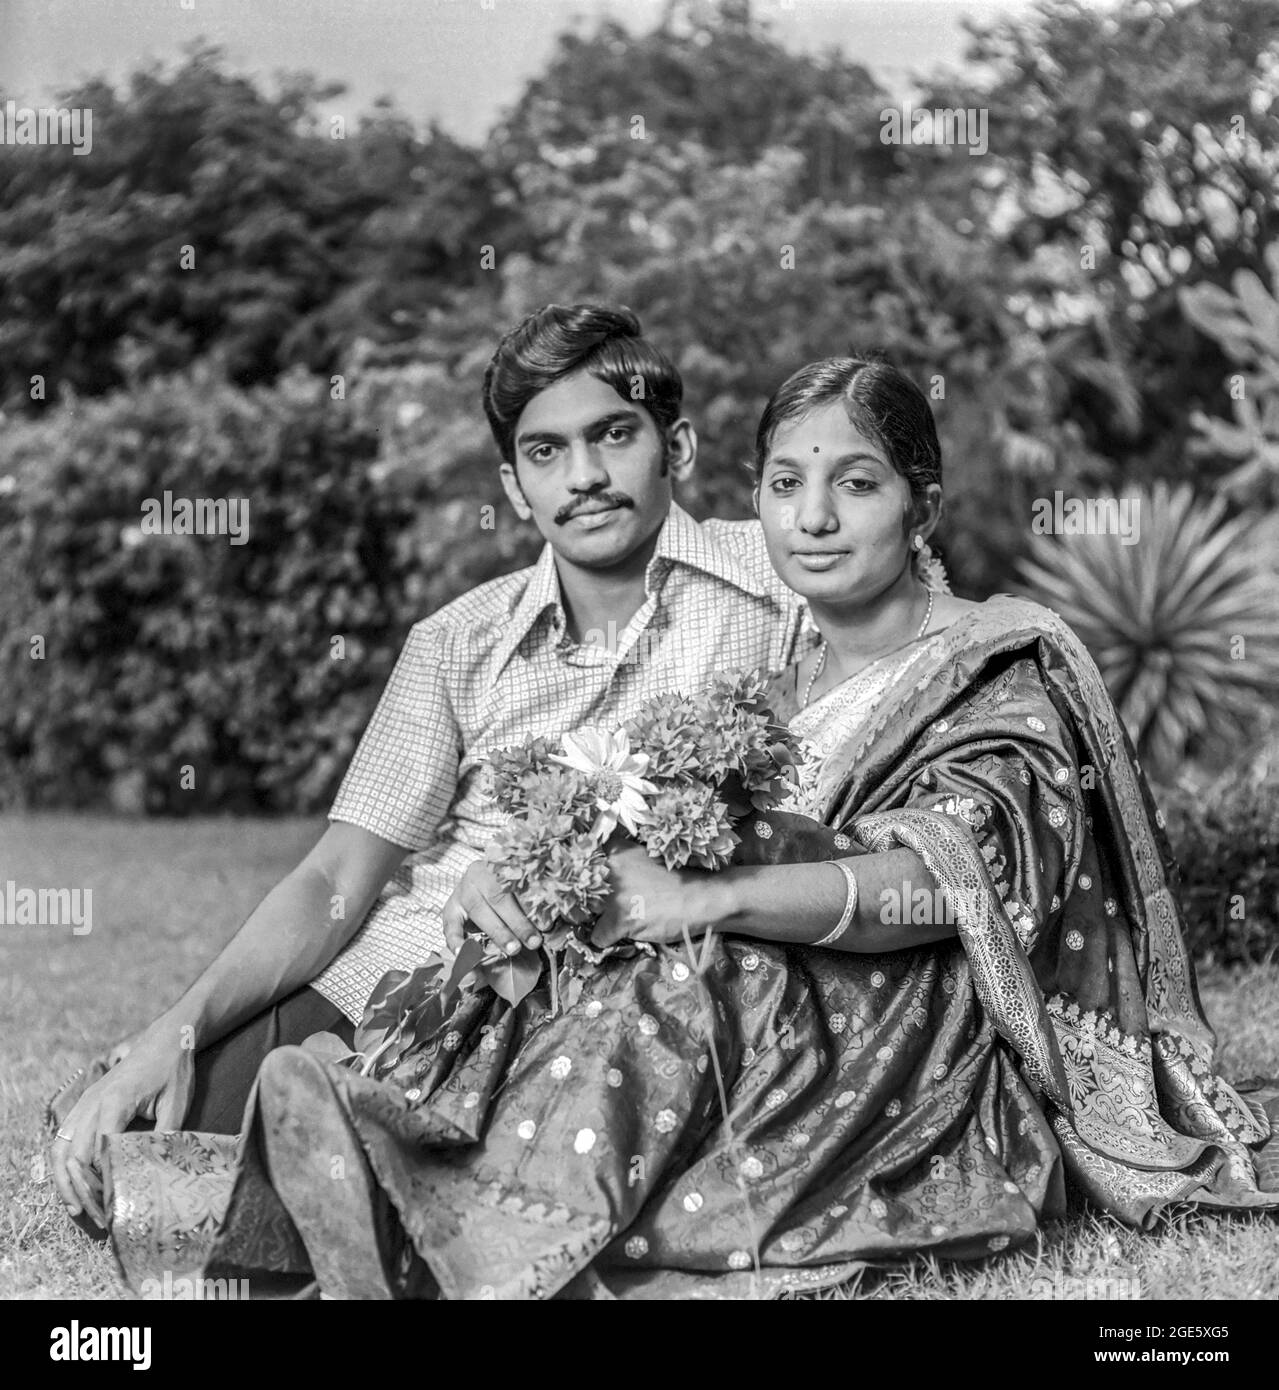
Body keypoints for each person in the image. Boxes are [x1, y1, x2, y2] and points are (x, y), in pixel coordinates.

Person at [98, 354, 1278, 1300]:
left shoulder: (993, 666)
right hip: (764, 971)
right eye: (785, 485)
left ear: (923, 504)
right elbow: (363, 869)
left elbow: (950, 883)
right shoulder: (776, 671)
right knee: (572, 975)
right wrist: (543, 886)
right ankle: (377, 1183)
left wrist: (704, 899)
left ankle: (432, 1222)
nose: (812, 518)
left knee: (659, 999)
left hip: (904, 1011)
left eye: (854, 484)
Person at [47, 303, 811, 1234]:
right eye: (544, 452)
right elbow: (336, 876)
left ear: (676, 447)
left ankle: (397, 1175)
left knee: (327, 1193)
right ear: (513, 481)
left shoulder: (782, 582)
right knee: (138, 1166)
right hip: (414, 966)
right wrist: (173, 1032)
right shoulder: (457, 641)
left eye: (613, 436)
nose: (583, 477)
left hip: (625, 995)